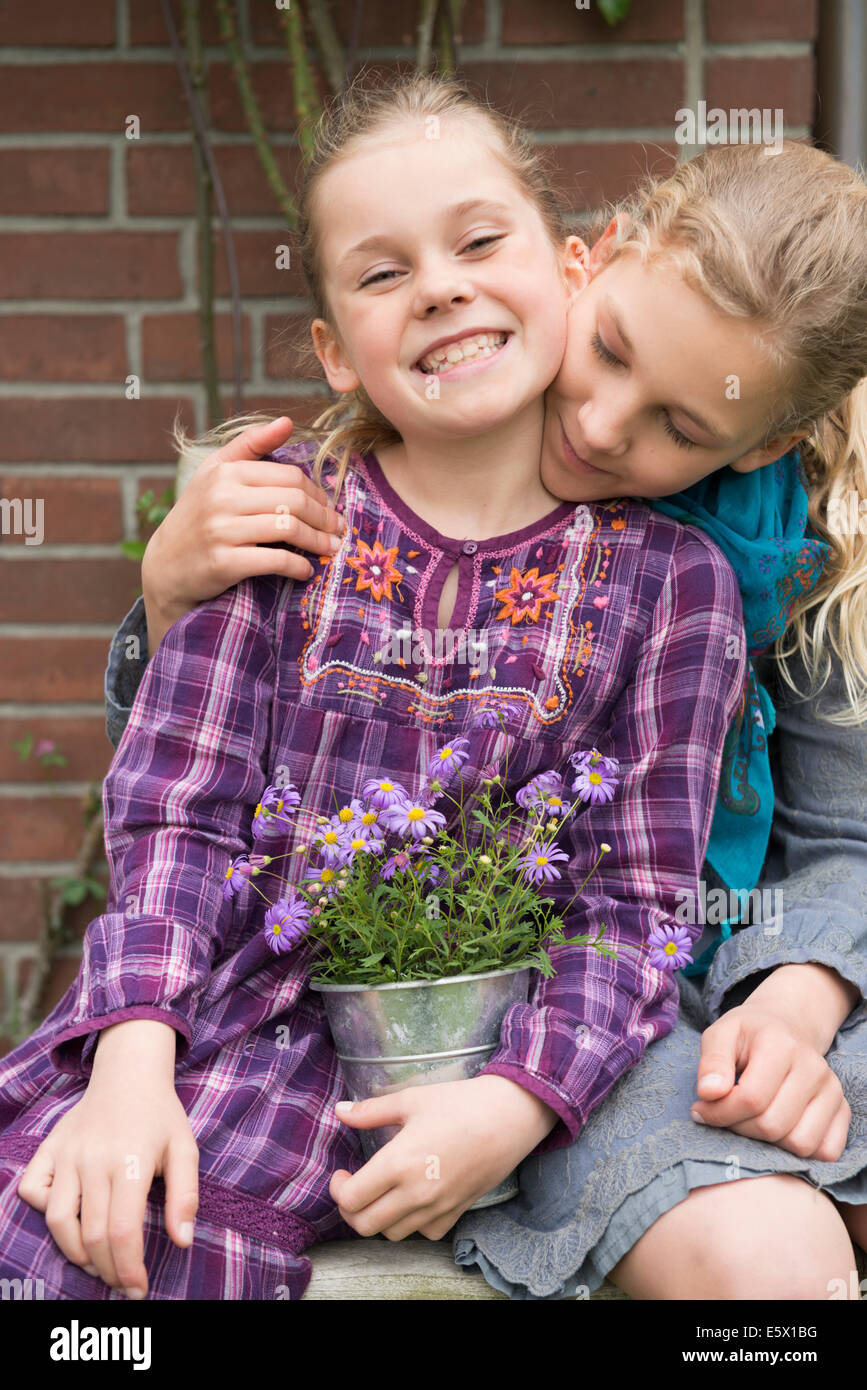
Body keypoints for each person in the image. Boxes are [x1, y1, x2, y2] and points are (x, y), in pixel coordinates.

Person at [0, 75, 857, 1304]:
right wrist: (131, 1065)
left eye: (676, 421)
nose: (609, 429)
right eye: (608, 350)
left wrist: (535, 1094)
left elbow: (661, 895)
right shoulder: (295, 512)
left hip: (614, 1027)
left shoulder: (699, 582)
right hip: (248, 1018)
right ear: (589, 265)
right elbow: (179, 809)